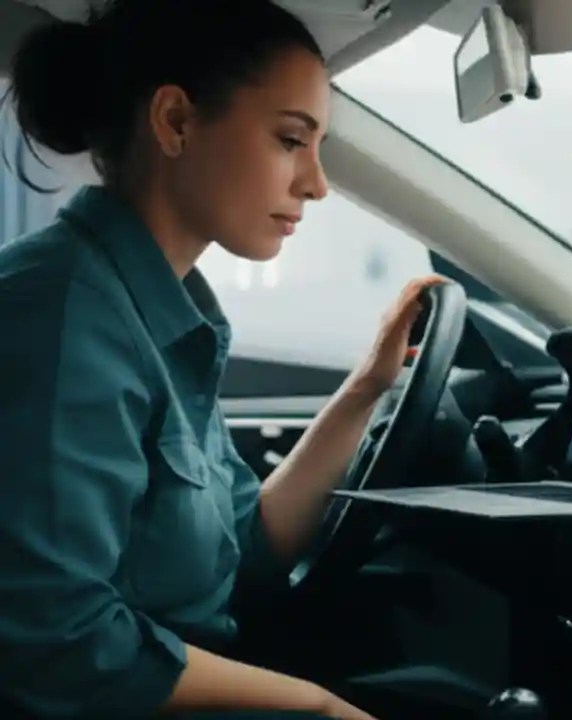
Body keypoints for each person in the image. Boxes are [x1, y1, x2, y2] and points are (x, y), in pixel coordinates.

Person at [0, 1, 445, 717]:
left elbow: (249, 546)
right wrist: (317, 706)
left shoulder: (165, 313)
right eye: (291, 140)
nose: (317, 183)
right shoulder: (61, 319)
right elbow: (57, 643)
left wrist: (367, 388)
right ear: (175, 122)